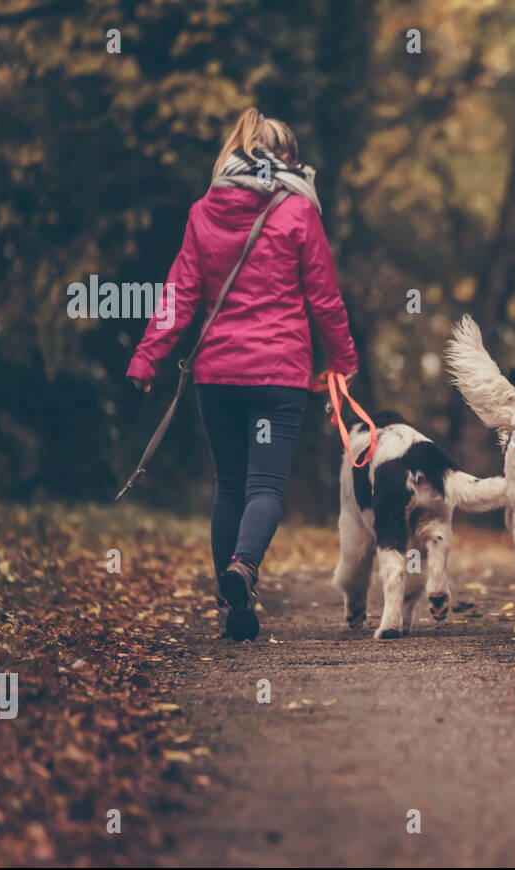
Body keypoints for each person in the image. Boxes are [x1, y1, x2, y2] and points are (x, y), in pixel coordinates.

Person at [126, 108, 358, 640]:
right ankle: (244, 568)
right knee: (266, 487)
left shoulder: (203, 211)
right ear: (287, 159)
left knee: (228, 488)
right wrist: (342, 361)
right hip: (278, 374)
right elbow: (324, 297)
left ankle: (235, 610)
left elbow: (180, 293)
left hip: (218, 374)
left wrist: (148, 357)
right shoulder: (299, 212)